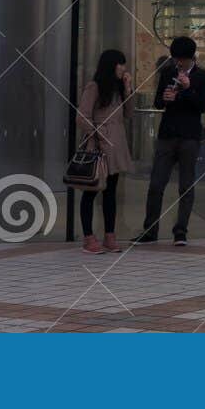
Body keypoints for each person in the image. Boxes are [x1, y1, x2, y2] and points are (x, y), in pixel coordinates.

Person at [137, 36, 205, 246]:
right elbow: (158, 102)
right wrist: (165, 98)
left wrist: (187, 90)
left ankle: (180, 232)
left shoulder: (203, 76)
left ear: (191, 58)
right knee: (156, 184)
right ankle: (150, 230)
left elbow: (202, 105)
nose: (179, 63)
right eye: (176, 59)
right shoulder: (168, 72)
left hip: (189, 136)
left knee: (186, 186)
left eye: (182, 60)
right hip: (167, 135)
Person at [75, 49, 135, 255]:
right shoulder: (94, 87)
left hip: (116, 146)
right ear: (111, 65)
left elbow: (129, 113)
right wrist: (99, 135)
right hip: (99, 148)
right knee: (91, 191)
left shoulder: (118, 89)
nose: (123, 68)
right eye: (121, 64)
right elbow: (81, 117)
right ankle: (88, 238)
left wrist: (128, 89)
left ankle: (110, 235)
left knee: (111, 193)